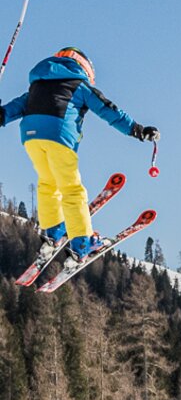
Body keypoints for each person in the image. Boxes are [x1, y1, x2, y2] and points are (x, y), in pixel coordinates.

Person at [0, 47, 158, 260]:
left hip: (31, 137)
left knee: (47, 183)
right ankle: (82, 242)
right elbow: (108, 110)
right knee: (71, 188)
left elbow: (12, 108)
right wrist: (138, 130)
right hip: (59, 137)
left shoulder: (38, 85)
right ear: (84, 67)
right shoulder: (79, 85)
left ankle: (53, 231)